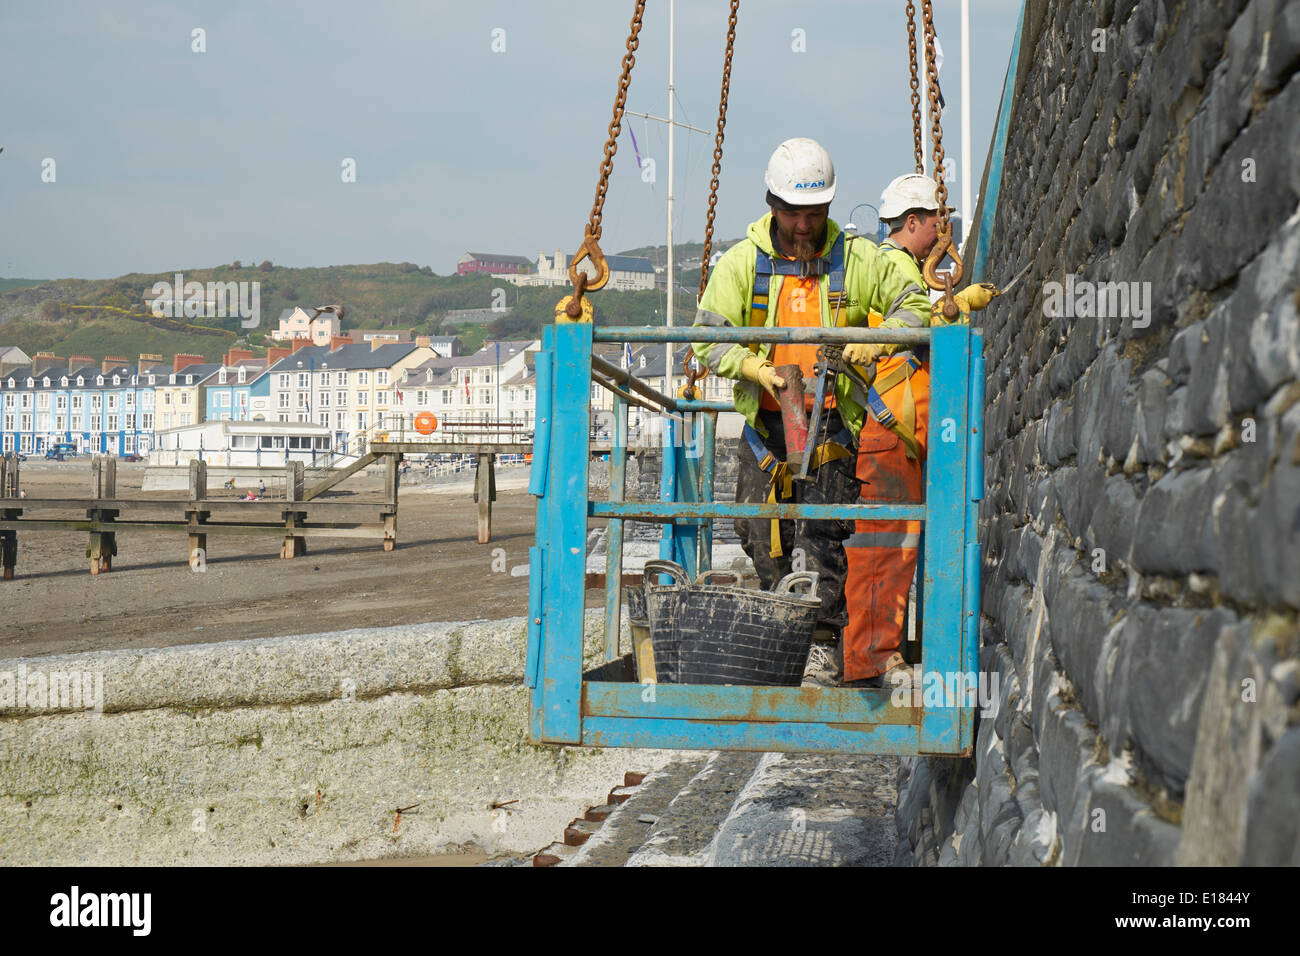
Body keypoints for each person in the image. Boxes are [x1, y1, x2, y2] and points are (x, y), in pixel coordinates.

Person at [692, 138, 933, 687]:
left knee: (823, 534)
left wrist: (880, 341)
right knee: (758, 531)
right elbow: (707, 340)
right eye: (793, 213)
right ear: (771, 204)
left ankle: (822, 648)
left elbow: (914, 304)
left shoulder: (858, 258)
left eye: (816, 213)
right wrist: (757, 370)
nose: (804, 225)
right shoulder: (741, 265)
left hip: (831, 421)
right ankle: (791, 636)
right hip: (769, 424)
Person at [837, 174, 994, 688]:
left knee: (897, 547)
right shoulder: (890, 266)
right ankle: (869, 658)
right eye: (937, 223)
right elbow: (907, 324)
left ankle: (879, 653)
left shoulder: (904, 267)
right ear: (913, 222)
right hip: (891, 427)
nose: (944, 234)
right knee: (885, 547)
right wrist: (955, 304)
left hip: (905, 427)